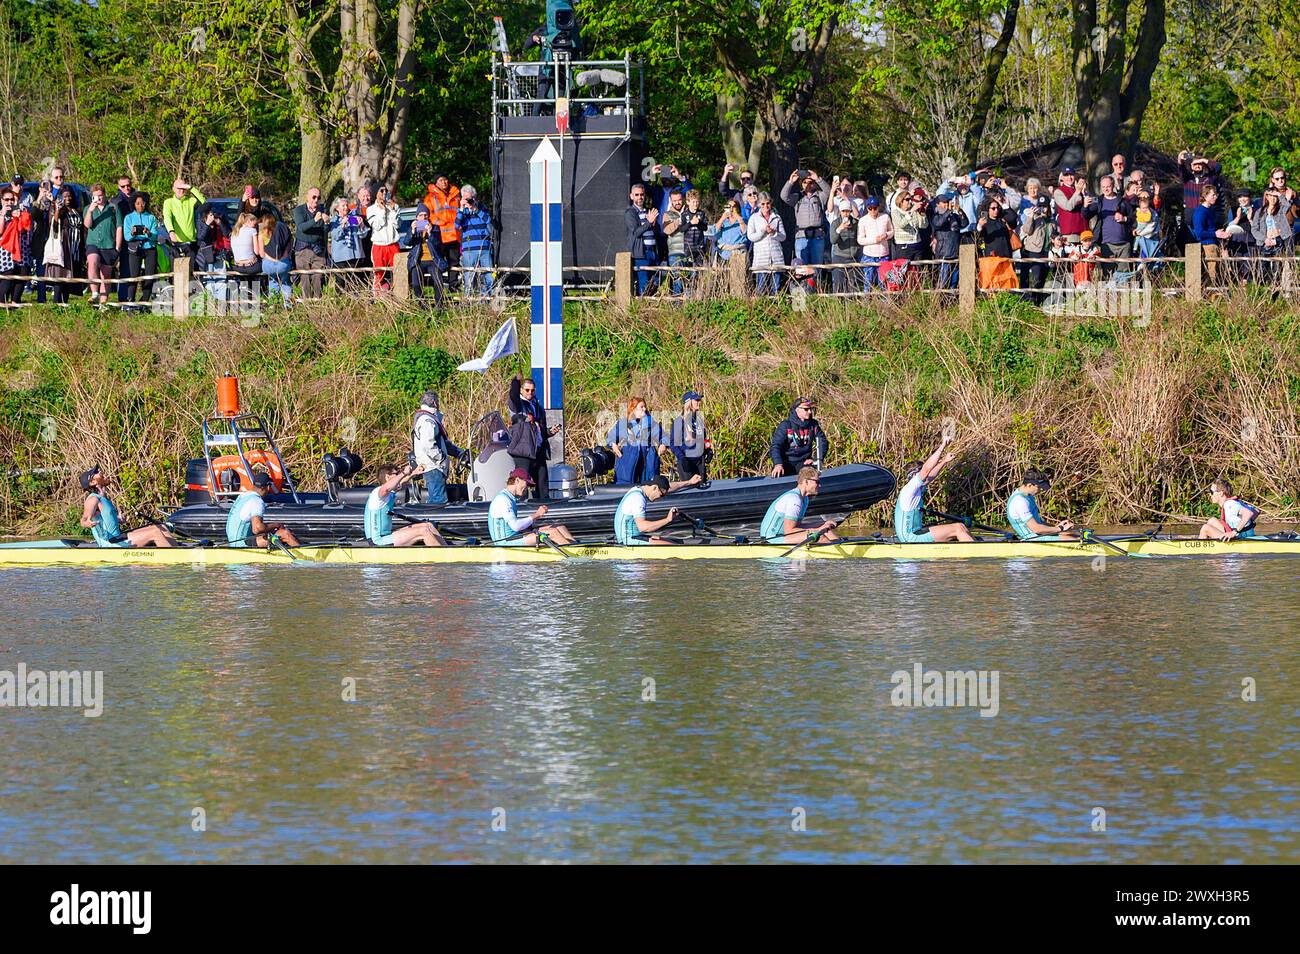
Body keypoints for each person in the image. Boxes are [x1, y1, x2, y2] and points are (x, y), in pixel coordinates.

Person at [893, 438, 974, 543]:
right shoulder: (910, 488)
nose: (926, 475)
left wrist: (944, 461)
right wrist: (942, 446)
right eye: (922, 473)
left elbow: (930, 476)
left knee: (961, 527)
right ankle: (978, 554)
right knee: (958, 528)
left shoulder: (916, 488)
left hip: (916, 532)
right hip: (910, 537)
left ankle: (974, 545)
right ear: (913, 475)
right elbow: (926, 469)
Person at [79, 465, 177, 548]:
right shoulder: (93, 499)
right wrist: (87, 522)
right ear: (92, 482)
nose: (100, 471)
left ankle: (179, 553)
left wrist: (118, 520)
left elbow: (105, 520)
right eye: (96, 472)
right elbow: (83, 520)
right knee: (155, 532)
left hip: (117, 537)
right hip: (110, 543)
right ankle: (174, 561)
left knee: (161, 527)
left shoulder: (103, 498)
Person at [361, 464, 447, 547]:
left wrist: (414, 473)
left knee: (428, 525)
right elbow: (386, 488)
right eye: (396, 474)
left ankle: (446, 550)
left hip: (387, 535)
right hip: (378, 541)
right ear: (387, 477)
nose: (399, 476)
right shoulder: (378, 491)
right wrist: (404, 473)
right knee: (423, 531)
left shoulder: (390, 493)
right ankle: (443, 557)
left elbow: (402, 482)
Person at [489, 468, 577, 546]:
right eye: (526, 483)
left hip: (515, 536)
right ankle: (575, 556)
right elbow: (515, 526)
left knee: (559, 527)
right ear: (517, 480)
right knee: (552, 532)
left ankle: (578, 548)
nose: (527, 487)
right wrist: (537, 515)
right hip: (504, 542)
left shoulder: (509, 498)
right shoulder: (503, 499)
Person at [759, 465, 841, 545]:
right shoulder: (794, 499)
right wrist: (816, 529)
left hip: (784, 535)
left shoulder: (805, 499)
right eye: (817, 482)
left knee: (827, 530)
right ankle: (839, 556)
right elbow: (789, 530)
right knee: (819, 536)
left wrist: (823, 524)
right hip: (771, 539)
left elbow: (798, 526)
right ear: (806, 481)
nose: (819, 485)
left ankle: (842, 545)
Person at [412, 390, 468, 505]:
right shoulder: (427, 420)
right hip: (433, 467)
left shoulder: (428, 418)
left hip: (434, 466)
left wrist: (460, 453)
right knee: (438, 502)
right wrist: (441, 458)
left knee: (438, 498)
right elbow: (428, 445)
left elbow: (443, 443)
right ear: (434, 402)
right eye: (437, 401)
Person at [507, 374, 558, 498]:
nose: (530, 392)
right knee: (522, 484)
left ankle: (544, 506)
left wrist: (550, 431)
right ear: (521, 390)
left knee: (542, 482)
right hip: (522, 451)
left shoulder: (538, 407)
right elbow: (513, 395)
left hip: (538, 451)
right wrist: (516, 381)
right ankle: (520, 507)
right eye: (527, 390)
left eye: (532, 390)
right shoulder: (517, 404)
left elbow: (539, 431)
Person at [780, 169, 831, 287]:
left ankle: (817, 291)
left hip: (817, 237)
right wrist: (790, 182)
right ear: (801, 184)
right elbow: (783, 196)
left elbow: (828, 192)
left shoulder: (819, 197)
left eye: (810, 182)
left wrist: (817, 178)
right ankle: (802, 291)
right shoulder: (797, 197)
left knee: (817, 267)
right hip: (801, 237)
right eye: (805, 182)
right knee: (801, 269)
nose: (808, 184)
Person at [225, 471, 302, 548]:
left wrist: (273, 528)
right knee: (285, 534)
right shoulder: (257, 501)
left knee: (276, 532)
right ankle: (306, 555)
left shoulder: (243, 496)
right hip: (242, 544)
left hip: (234, 542)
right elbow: (257, 528)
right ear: (267, 487)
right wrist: (276, 524)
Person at [605, 396, 668, 485]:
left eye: (645, 406)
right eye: (641, 407)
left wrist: (663, 444)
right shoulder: (623, 423)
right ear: (633, 409)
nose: (645, 409)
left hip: (648, 463)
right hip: (626, 465)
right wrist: (613, 445)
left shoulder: (651, 423)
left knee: (649, 489)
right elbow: (609, 438)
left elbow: (664, 437)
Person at [37, 186, 85, 304]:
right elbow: (53, 226)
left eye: (69, 196)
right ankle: (56, 304)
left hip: (76, 248)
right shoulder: (56, 208)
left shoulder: (76, 210)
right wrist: (58, 210)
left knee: (70, 278)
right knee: (61, 276)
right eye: (64, 196)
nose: (67, 198)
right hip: (64, 247)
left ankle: (65, 304)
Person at [1005, 470, 1080, 541]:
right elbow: (1036, 528)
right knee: (1074, 539)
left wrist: (1057, 527)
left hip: (1038, 535)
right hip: (1032, 539)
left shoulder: (1028, 496)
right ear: (1029, 485)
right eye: (1039, 487)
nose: (1041, 489)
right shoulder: (1020, 501)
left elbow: (1039, 523)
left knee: (1074, 534)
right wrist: (1060, 529)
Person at [83, 185, 123, 305]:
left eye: (101, 195)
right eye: (96, 195)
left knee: (106, 275)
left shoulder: (113, 208)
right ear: (92, 196)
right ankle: (94, 293)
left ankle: (103, 303)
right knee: (92, 261)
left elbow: (119, 227)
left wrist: (117, 247)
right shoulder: (88, 208)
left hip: (108, 244)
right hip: (93, 243)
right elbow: (87, 225)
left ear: (104, 195)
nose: (99, 198)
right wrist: (90, 210)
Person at [613, 475, 682, 546]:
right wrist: (667, 520)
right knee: (674, 546)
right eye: (661, 495)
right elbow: (643, 527)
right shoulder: (638, 498)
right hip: (629, 541)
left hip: (633, 537)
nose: (659, 498)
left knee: (671, 542)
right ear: (655, 487)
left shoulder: (637, 489)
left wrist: (689, 482)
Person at [770, 397, 828, 477]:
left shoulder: (813, 425)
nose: (810, 412)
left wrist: (815, 459)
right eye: (806, 409)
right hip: (786, 463)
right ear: (797, 409)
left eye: (811, 409)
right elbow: (775, 446)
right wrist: (778, 464)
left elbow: (823, 442)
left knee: (812, 474)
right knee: (778, 473)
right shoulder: (786, 425)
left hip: (804, 463)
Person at [423, 174, 461, 291]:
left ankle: (453, 286)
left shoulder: (456, 195)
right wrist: (439, 221)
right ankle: (438, 287)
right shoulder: (430, 197)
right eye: (441, 180)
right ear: (436, 183)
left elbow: (461, 211)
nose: (444, 182)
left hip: (454, 236)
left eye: (445, 179)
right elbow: (425, 215)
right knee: (438, 263)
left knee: (454, 263)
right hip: (439, 235)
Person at [455, 184, 494, 298]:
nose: (468, 201)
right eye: (465, 198)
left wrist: (475, 209)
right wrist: (462, 209)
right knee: (468, 277)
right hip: (469, 250)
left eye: (470, 198)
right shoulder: (462, 212)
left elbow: (488, 220)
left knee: (488, 275)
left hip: (484, 248)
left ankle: (487, 299)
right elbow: (457, 225)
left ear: (475, 198)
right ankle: (468, 301)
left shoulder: (482, 207)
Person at [122, 193, 160, 307]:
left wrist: (148, 233)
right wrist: (133, 233)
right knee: (134, 276)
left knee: (150, 276)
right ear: (134, 204)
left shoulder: (151, 217)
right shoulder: (128, 218)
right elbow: (127, 237)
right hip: (135, 248)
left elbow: (155, 236)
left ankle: (144, 302)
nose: (140, 205)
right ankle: (130, 302)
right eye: (138, 203)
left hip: (149, 248)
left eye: (143, 203)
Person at [403, 208, 447, 307]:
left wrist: (430, 233)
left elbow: (438, 244)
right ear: (416, 217)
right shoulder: (413, 229)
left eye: (425, 215)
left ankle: (439, 306)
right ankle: (422, 305)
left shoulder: (435, 228)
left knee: (438, 281)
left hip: (433, 260)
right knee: (416, 284)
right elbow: (406, 242)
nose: (423, 217)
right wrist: (413, 231)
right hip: (418, 260)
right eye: (421, 215)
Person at [293, 188, 330, 300]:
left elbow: (325, 230)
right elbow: (301, 227)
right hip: (303, 249)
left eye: (318, 197)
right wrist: (314, 220)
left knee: (318, 276)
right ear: (307, 197)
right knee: (305, 276)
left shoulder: (322, 209)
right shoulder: (299, 210)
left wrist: (327, 223)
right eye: (313, 197)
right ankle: (307, 304)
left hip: (318, 249)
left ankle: (317, 303)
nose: (316, 200)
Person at [746, 191, 786, 294]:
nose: (765, 206)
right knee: (761, 289)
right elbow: (750, 237)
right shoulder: (754, 218)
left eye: (767, 203)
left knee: (776, 289)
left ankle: (777, 308)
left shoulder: (777, 217)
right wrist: (763, 231)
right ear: (759, 204)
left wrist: (774, 233)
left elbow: (783, 237)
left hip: (776, 257)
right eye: (763, 203)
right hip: (761, 258)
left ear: (771, 203)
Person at [0, 187, 34, 306]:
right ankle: (2, 303)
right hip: (6, 251)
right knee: (7, 276)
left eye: (12, 200)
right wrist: (3, 215)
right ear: (2, 200)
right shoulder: (1, 214)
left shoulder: (23, 213)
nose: (10, 202)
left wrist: (20, 216)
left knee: (23, 274)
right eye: (7, 199)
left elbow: (27, 228)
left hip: (22, 250)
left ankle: (15, 302)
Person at [666, 389, 709, 481]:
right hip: (686, 462)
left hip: (699, 462)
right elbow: (673, 444)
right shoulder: (679, 421)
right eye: (696, 400)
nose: (699, 402)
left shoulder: (699, 420)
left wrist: (708, 450)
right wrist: (682, 458)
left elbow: (704, 439)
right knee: (690, 491)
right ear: (689, 403)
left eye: (699, 400)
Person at [1191, 184, 1230, 285]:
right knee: (1211, 275)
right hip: (1207, 246)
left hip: (1214, 245)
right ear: (1205, 195)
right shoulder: (1200, 212)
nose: (1215, 197)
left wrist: (1221, 234)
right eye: (1213, 195)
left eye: (1216, 194)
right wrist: (1215, 234)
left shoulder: (1210, 210)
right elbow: (1199, 233)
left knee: (1217, 273)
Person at [625, 183, 660, 296]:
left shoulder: (647, 211)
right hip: (641, 253)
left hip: (653, 252)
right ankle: (641, 307)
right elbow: (636, 233)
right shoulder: (630, 212)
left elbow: (653, 231)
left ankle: (649, 306)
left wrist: (653, 224)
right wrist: (649, 222)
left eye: (642, 194)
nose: (640, 197)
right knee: (644, 283)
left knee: (656, 281)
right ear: (631, 196)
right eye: (637, 195)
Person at [366, 185, 401, 291]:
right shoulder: (371, 209)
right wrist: (382, 211)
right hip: (379, 246)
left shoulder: (394, 206)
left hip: (393, 245)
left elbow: (398, 225)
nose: (384, 192)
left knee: (398, 273)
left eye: (386, 190)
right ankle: (378, 300)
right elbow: (376, 225)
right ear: (376, 193)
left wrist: (393, 210)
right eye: (381, 190)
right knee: (379, 275)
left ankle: (399, 298)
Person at [330, 197, 369, 290]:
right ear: (337, 208)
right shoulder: (334, 220)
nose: (346, 207)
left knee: (354, 281)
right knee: (341, 282)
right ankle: (341, 301)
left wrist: (362, 225)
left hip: (354, 255)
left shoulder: (353, 218)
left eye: (346, 205)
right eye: (343, 205)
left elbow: (362, 235)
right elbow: (335, 236)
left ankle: (355, 301)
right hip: (340, 257)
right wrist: (342, 225)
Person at [257, 211, 294, 304]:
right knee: (285, 282)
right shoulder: (281, 231)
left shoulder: (261, 234)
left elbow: (261, 254)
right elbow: (288, 247)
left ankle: (273, 305)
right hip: (283, 264)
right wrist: (282, 257)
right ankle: (288, 305)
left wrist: (270, 258)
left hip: (268, 266)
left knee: (273, 281)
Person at [161, 179, 206, 257]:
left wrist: (191, 188)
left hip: (191, 242)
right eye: (179, 188)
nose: (181, 191)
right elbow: (167, 218)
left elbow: (203, 202)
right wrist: (171, 231)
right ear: (173, 189)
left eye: (183, 188)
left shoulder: (191, 201)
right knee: (177, 268)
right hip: (176, 243)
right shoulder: (168, 202)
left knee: (191, 268)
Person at [857, 196, 893, 289]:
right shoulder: (863, 220)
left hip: (884, 254)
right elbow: (860, 240)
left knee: (884, 281)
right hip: (869, 255)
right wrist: (874, 240)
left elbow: (892, 231)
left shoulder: (885, 217)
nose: (873, 210)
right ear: (867, 208)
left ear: (878, 207)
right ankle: (866, 301)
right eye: (870, 208)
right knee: (868, 281)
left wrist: (886, 235)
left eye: (875, 208)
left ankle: (885, 302)